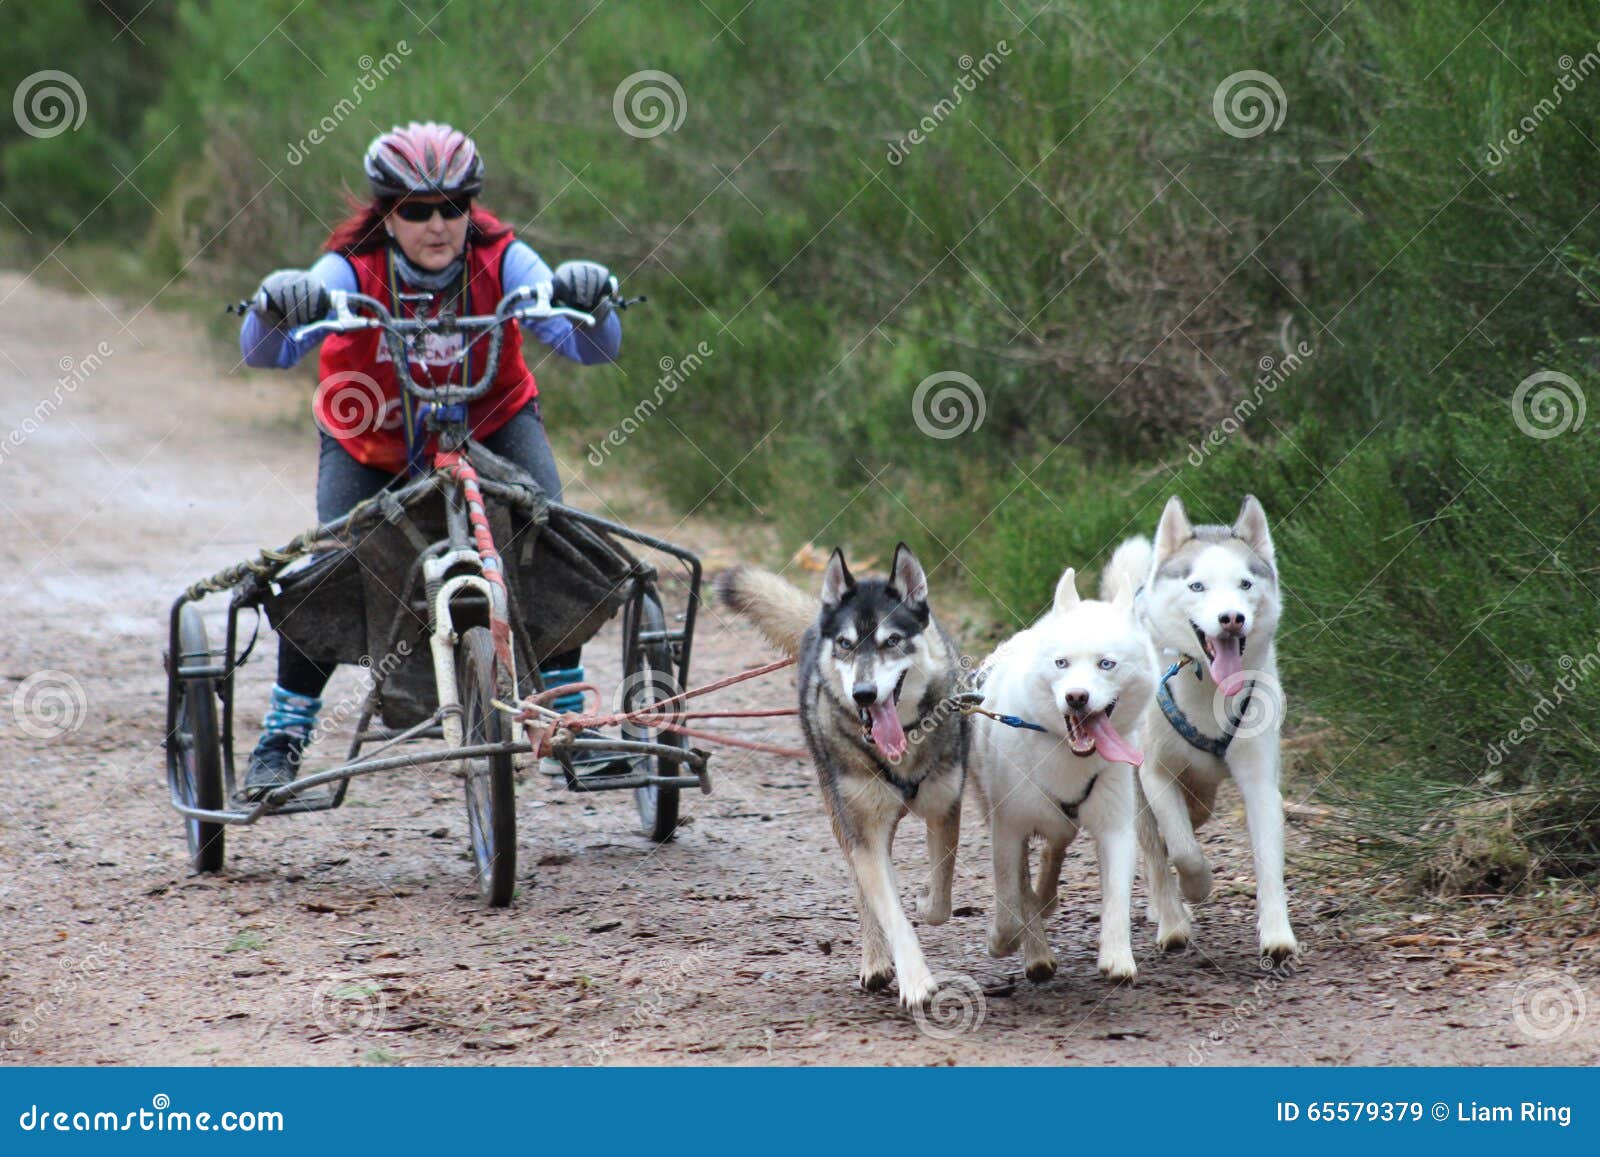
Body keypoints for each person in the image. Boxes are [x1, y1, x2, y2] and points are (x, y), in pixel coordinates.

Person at [237, 121, 618, 799]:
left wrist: (589, 298)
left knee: (549, 536)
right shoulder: (351, 268)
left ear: (472, 207)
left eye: (454, 207)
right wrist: (277, 304)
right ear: (387, 213)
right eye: (416, 210)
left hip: (494, 425)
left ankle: (567, 722)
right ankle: (284, 733)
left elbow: (592, 346)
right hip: (372, 443)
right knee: (337, 568)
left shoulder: (501, 256)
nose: (437, 225)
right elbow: (267, 351)